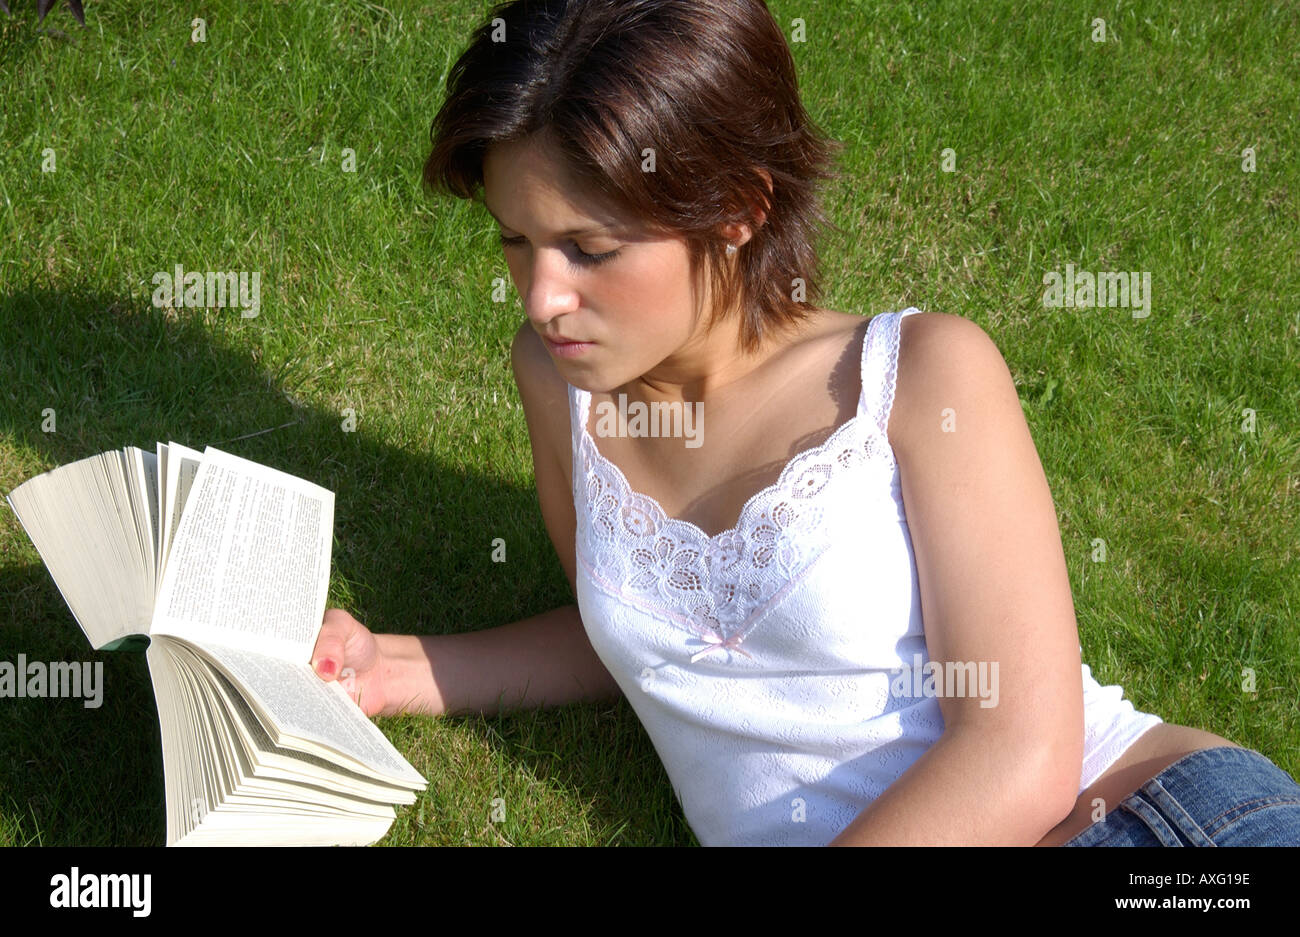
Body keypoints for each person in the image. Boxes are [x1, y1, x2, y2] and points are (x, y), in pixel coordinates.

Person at [311, 0, 1300, 846]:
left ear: (736, 207)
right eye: (516, 242)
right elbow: (638, 636)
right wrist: (401, 669)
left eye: (589, 247)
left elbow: (1020, 753)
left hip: (1141, 824)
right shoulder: (559, 380)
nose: (542, 297)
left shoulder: (918, 378)